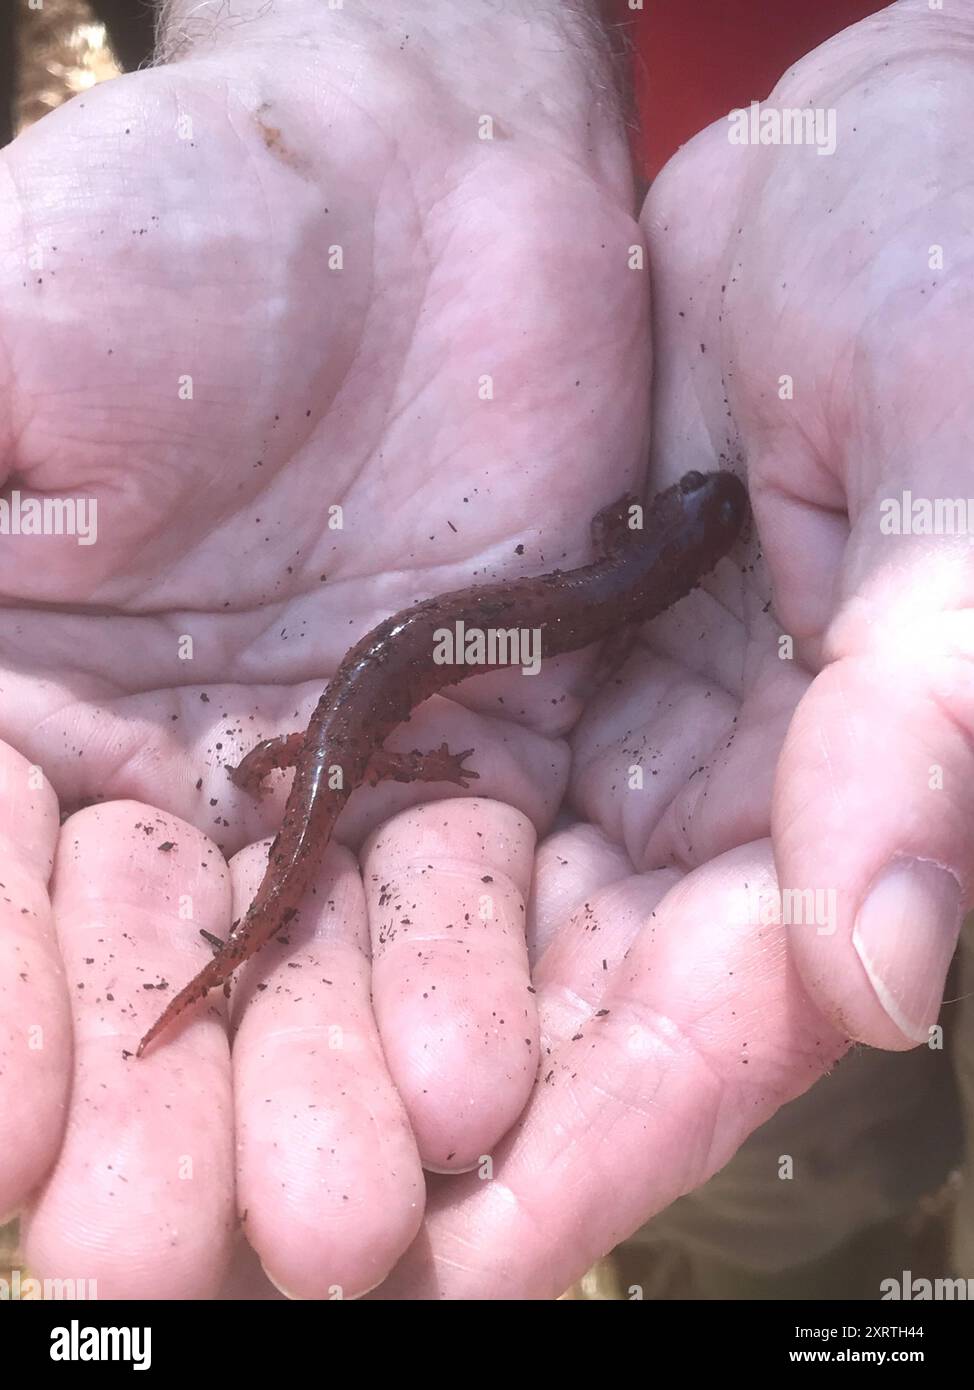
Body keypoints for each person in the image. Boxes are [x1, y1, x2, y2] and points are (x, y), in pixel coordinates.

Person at [0, 0, 970, 1299]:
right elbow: (628, 562)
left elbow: (625, 553)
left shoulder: (627, 568)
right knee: (752, 1124)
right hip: (399, 695)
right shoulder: (636, 581)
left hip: (406, 687)